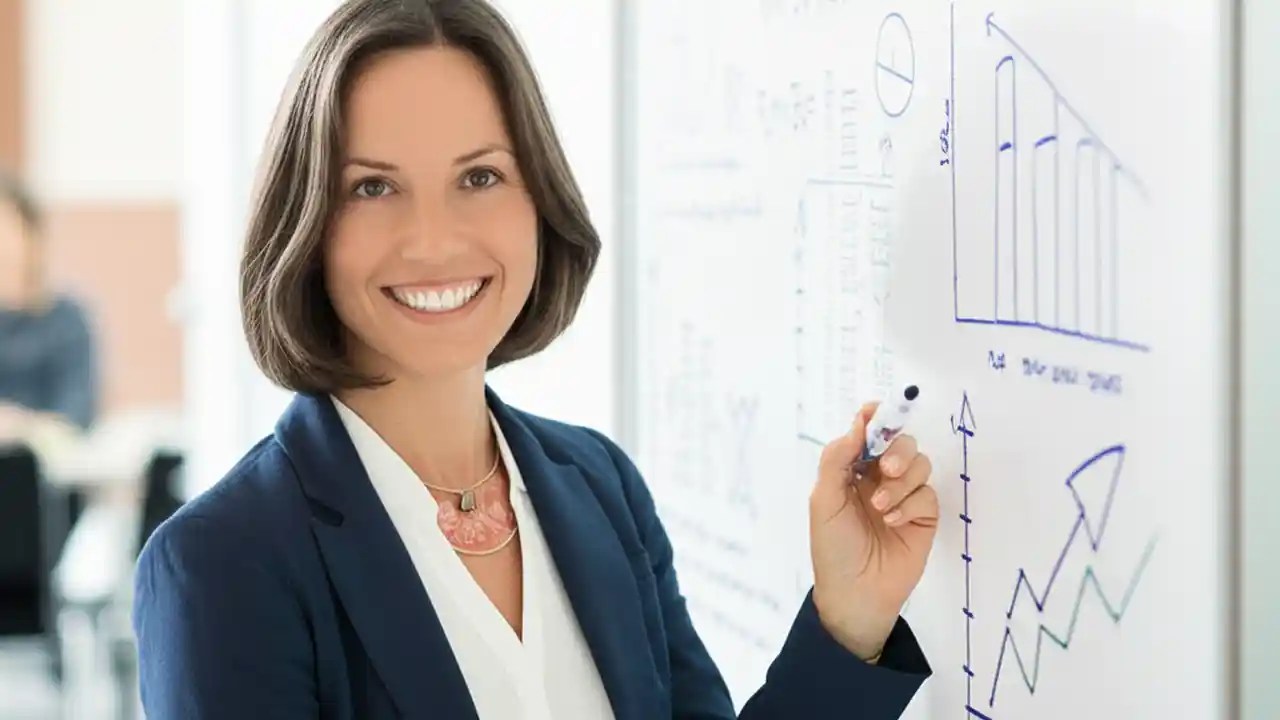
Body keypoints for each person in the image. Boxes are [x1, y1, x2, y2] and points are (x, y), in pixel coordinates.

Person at [132, 1, 939, 718]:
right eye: (373, 188)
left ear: (538, 200)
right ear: (307, 221)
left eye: (480, 176)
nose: (433, 241)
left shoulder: (600, 485)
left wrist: (849, 620)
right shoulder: (222, 562)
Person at [0, 169, 98, 457]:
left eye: (7, 229)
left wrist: (21, 427)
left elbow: (77, 412)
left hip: (45, 467)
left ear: (31, 236)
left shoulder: (66, 320)